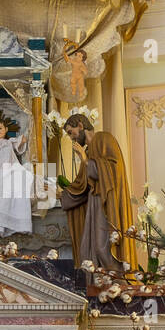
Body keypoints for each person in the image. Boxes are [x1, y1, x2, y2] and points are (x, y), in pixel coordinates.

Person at [58, 114, 137, 273]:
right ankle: (100, 285)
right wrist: (60, 194)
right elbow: (82, 185)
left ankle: (116, 283)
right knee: (90, 249)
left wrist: (85, 160)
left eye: (70, 132)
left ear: (80, 125)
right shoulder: (88, 150)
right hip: (95, 205)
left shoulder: (103, 138)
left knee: (103, 248)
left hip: (108, 202)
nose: (71, 138)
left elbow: (114, 168)